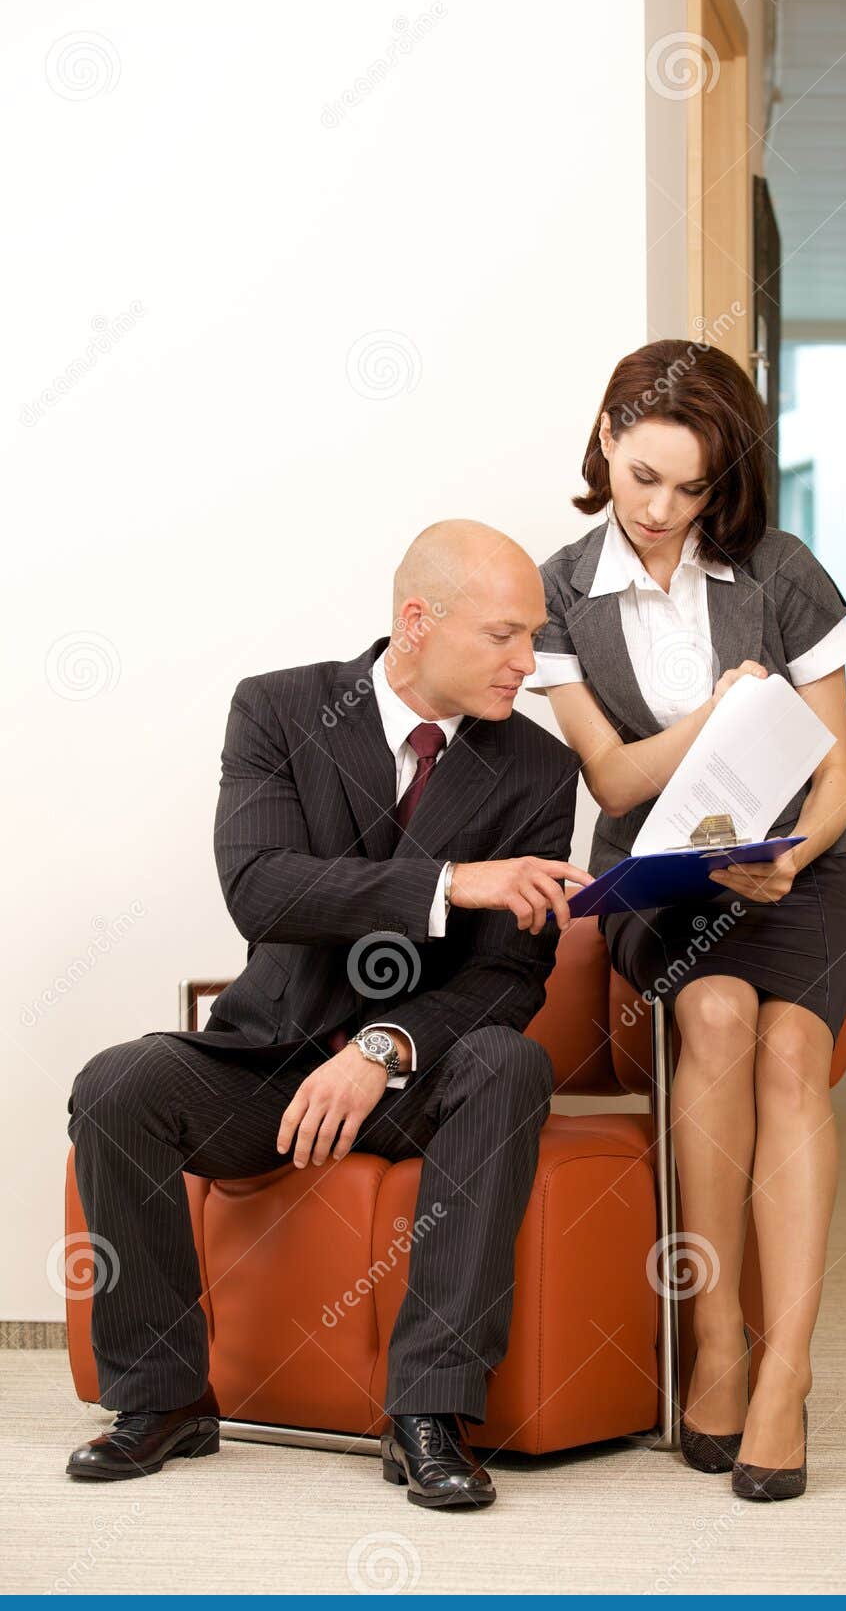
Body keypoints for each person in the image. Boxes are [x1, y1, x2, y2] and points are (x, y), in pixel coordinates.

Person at [65, 519, 592, 1511]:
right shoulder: (278, 709)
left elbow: (508, 979)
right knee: (114, 1085)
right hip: (267, 1058)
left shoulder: (536, 770)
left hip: (413, 1074)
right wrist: (452, 883)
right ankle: (163, 1397)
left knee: (508, 1064)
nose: (527, 662)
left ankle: (429, 1412)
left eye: (534, 636)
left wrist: (382, 1047)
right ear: (415, 622)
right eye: (504, 635)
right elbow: (262, 891)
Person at [527, 340, 846, 1501]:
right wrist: (723, 709)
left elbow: (838, 777)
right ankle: (715, 1336)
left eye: (692, 487)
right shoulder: (556, 593)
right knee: (716, 1018)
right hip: (660, 884)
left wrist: (792, 859)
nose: (663, 510)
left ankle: (783, 1368)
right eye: (642, 478)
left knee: (787, 1049)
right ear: (605, 443)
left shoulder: (778, 570)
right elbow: (616, 782)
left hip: (797, 877)